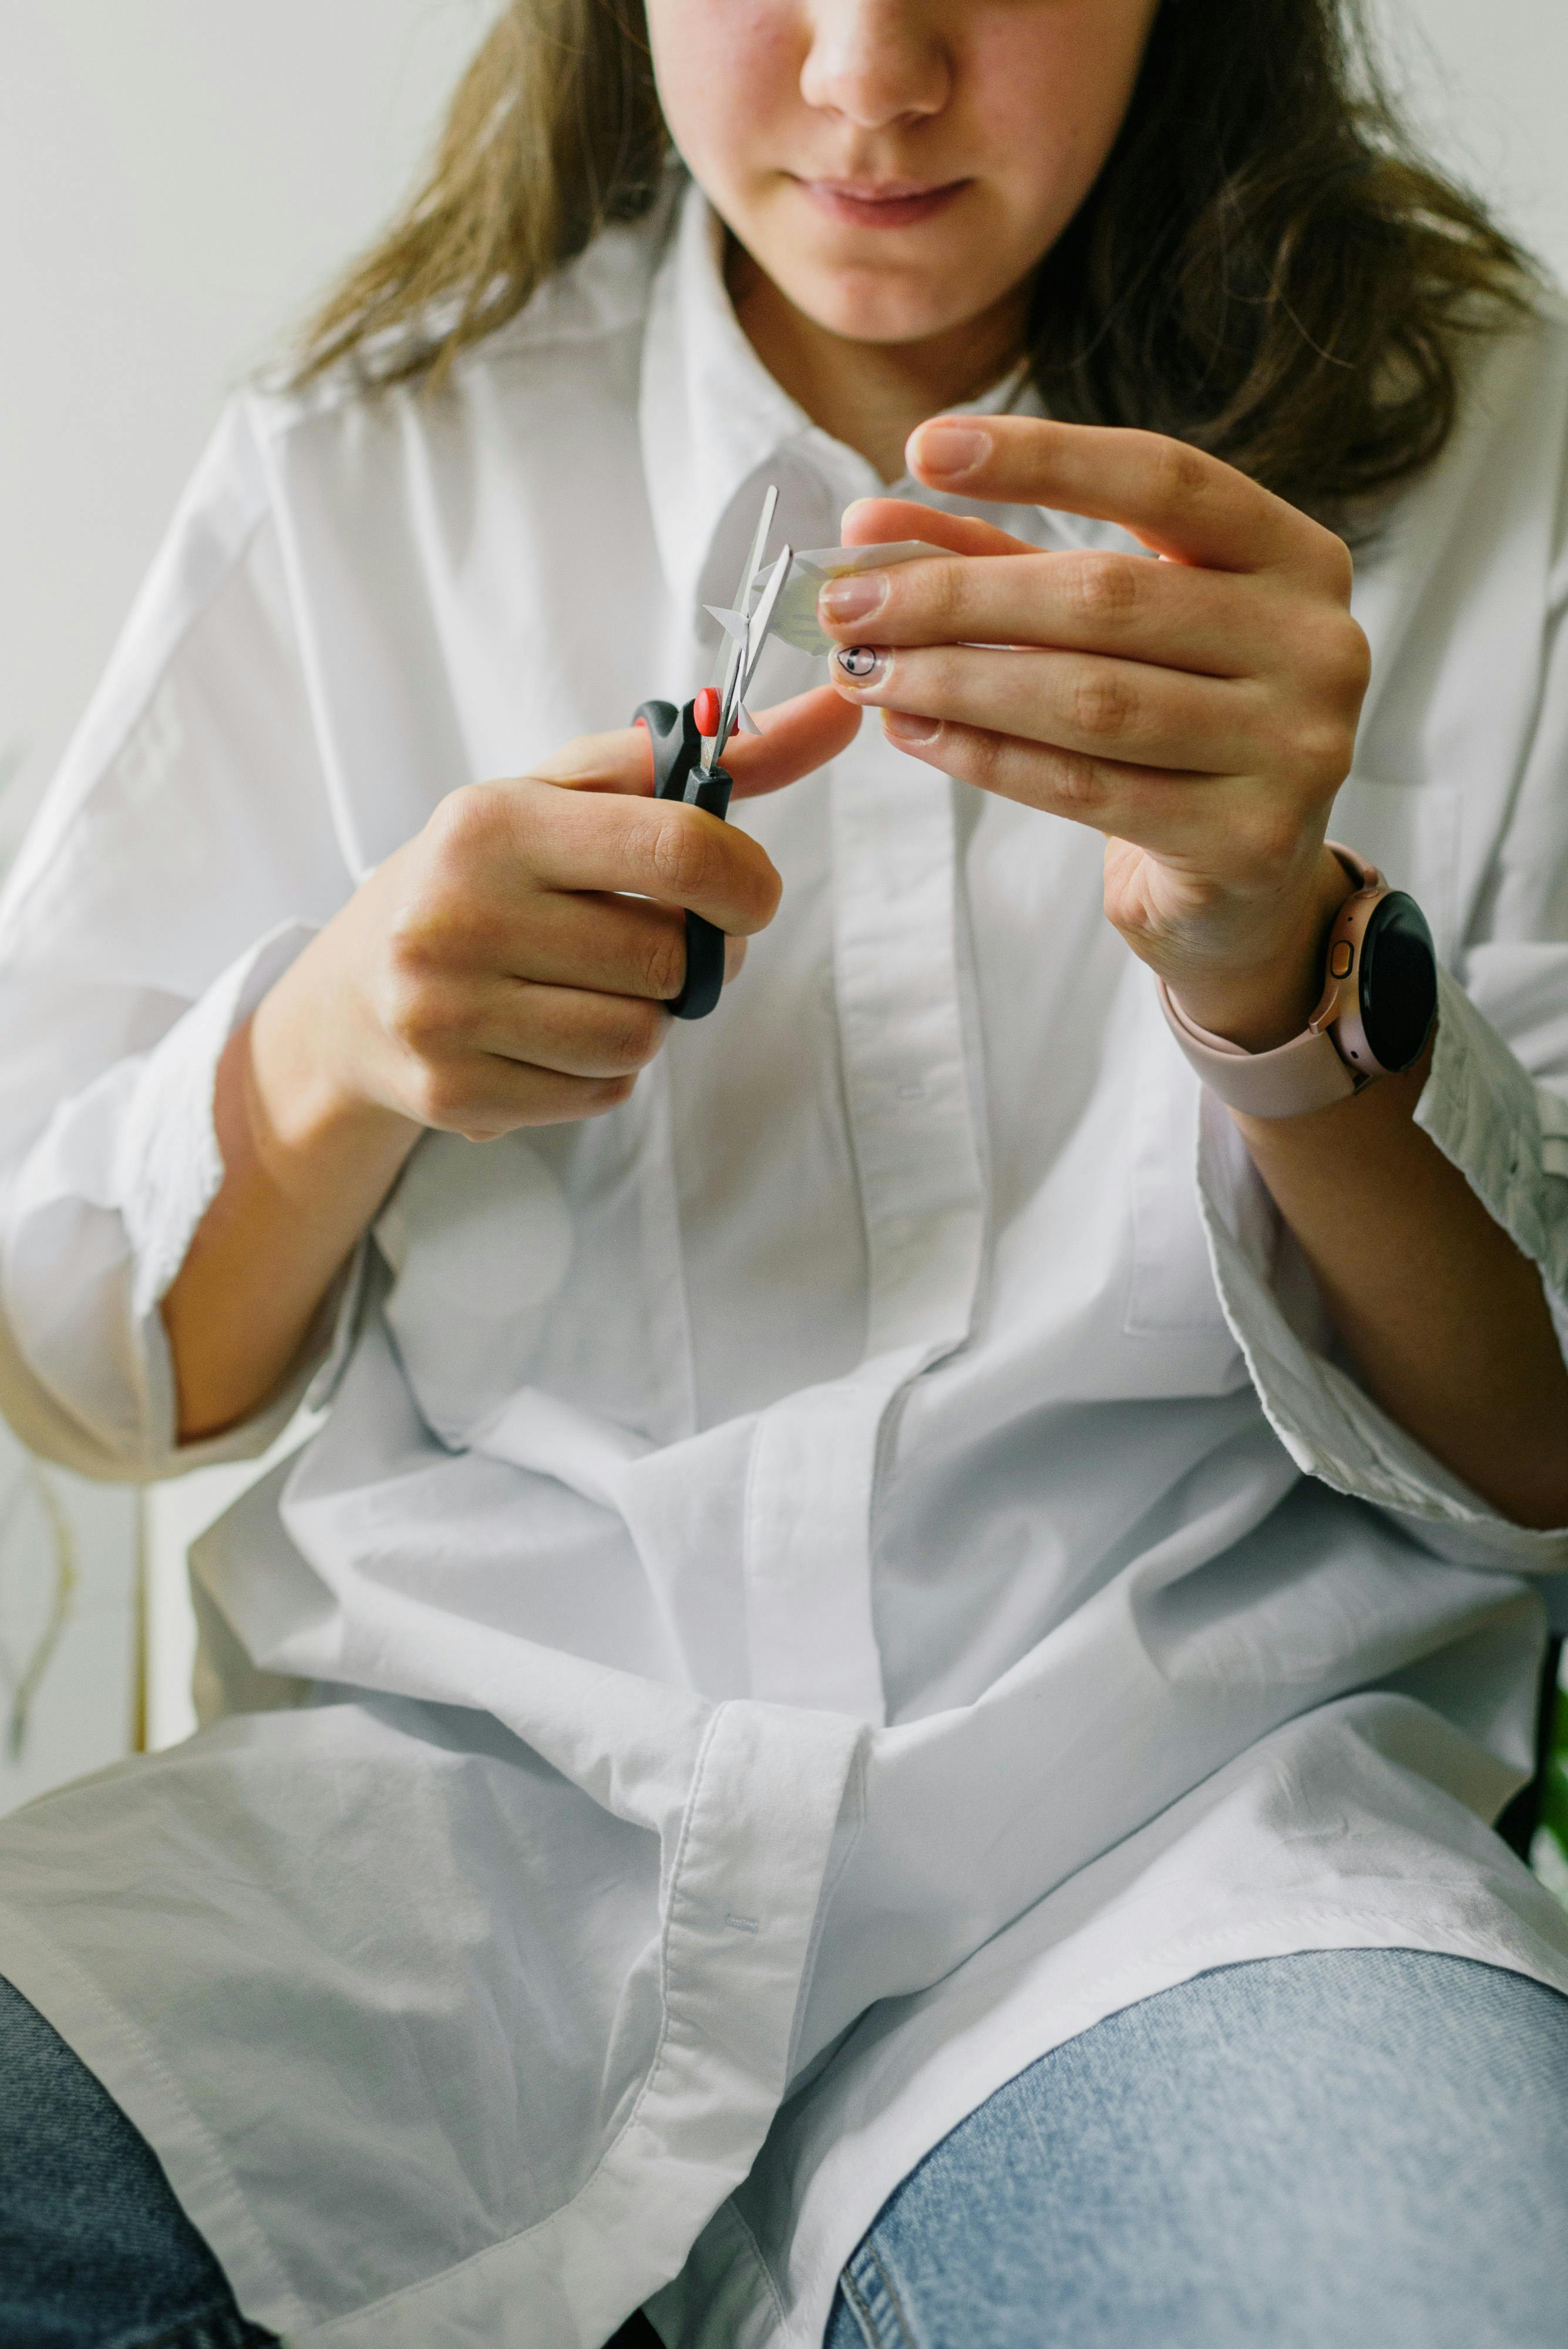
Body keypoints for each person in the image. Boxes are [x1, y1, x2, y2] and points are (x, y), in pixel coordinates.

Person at [1, 0, 1567, 2343]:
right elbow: (86, 1371)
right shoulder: (366, 469)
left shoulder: (1493, 453)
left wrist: (1283, 990)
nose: (867, 74)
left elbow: (1539, 1440)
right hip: (407, 1888)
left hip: (1170, 1865)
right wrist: (328, 1043)